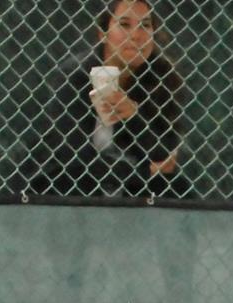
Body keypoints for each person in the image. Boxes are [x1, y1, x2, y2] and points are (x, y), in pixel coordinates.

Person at [24, 0, 187, 199]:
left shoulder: (162, 78)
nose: (136, 35)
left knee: (175, 187)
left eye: (145, 25)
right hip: (70, 183)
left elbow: (164, 154)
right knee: (74, 181)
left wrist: (133, 116)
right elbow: (72, 156)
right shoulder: (75, 76)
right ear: (103, 34)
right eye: (125, 24)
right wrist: (141, 173)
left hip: (129, 184)